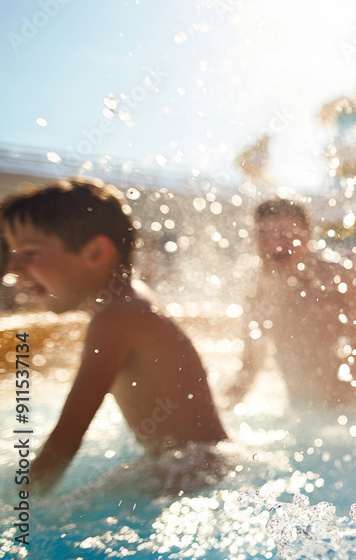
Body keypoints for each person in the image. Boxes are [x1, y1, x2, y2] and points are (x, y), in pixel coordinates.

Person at [1, 178, 229, 495]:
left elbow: (64, 442)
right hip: (199, 466)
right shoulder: (126, 302)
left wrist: (21, 505)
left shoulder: (116, 318)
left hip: (189, 473)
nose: (13, 268)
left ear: (96, 252)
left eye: (29, 252)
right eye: (12, 252)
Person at [229, 198, 356, 408]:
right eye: (264, 235)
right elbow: (247, 373)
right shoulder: (258, 299)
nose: (275, 245)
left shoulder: (342, 282)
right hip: (303, 417)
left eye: (285, 234)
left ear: (308, 237)